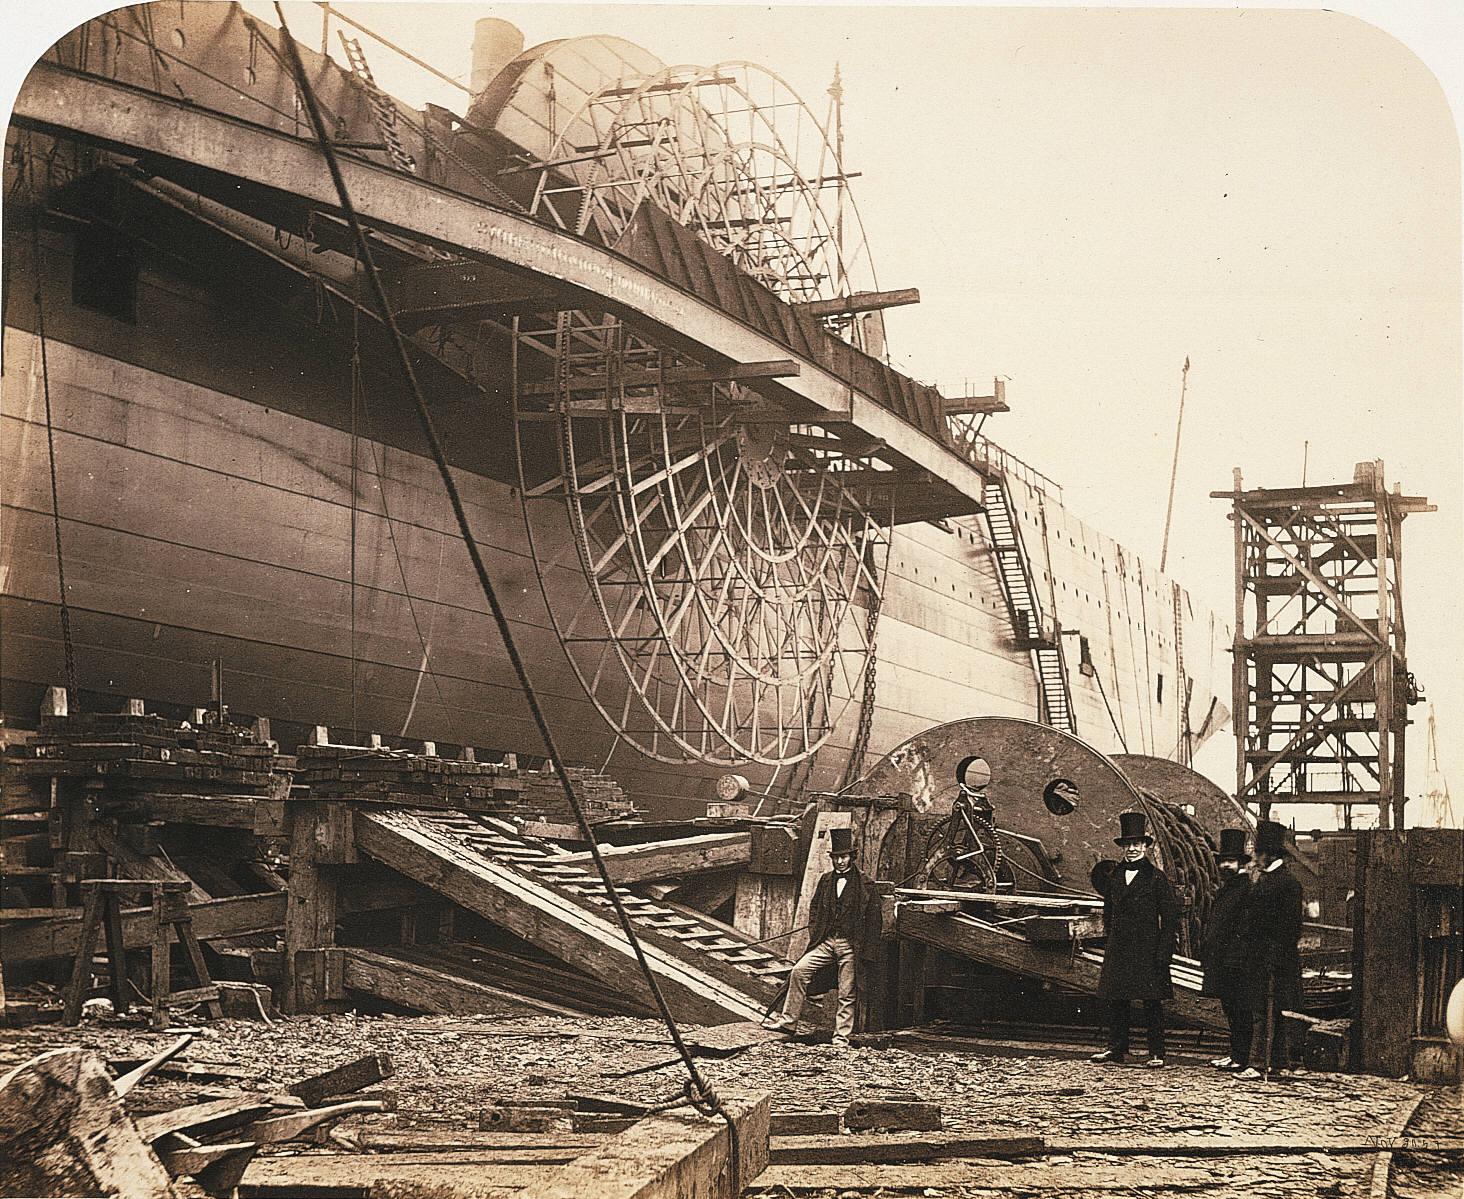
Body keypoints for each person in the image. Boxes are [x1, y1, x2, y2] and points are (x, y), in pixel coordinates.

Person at [1088, 810, 1180, 1068]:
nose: (1132, 849)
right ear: (1122, 847)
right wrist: (1111, 938)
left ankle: (1157, 1053)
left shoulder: (1155, 878)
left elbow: (1170, 917)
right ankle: (1116, 1050)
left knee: (1151, 1001)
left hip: (1147, 949)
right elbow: (1108, 911)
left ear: (1145, 847)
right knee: (1117, 1000)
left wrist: (1164, 953)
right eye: (1127, 844)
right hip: (1120, 947)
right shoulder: (1115, 876)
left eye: (1137, 844)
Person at [764, 827, 866, 1047]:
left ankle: (841, 1038)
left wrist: (863, 947)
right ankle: (787, 1022)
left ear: (852, 857)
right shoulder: (826, 880)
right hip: (827, 942)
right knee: (799, 971)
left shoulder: (864, 883)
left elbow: (872, 919)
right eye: (837, 857)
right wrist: (816, 932)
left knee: (847, 992)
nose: (840, 861)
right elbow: (815, 909)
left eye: (844, 857)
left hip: (850, 945)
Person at [1235, 819, 1303, 1080]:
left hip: (1275, 958)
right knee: (1262, 1008)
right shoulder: (1265, 879)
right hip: (1259, 956)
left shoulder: (1287, 883)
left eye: (1258, 854)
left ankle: (1261, 1063)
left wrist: (1276, 956)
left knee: (1267, 1011)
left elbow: (1291, 927)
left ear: (1268, 854)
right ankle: (1275, 1062)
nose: (1255, 858)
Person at [1199, 827, 1253, 1072]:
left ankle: (1241, 1057)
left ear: (1241, 863)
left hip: (1235, 962)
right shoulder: (1230, 887)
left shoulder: (1245, 889)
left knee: (1240, 1010)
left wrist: (1234, 958)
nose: (1225, 866)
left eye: (1230, 862)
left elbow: (1243, 930)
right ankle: (1235, 1054)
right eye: (1223, 862)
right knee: (1231, 1009)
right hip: (1223, 960)